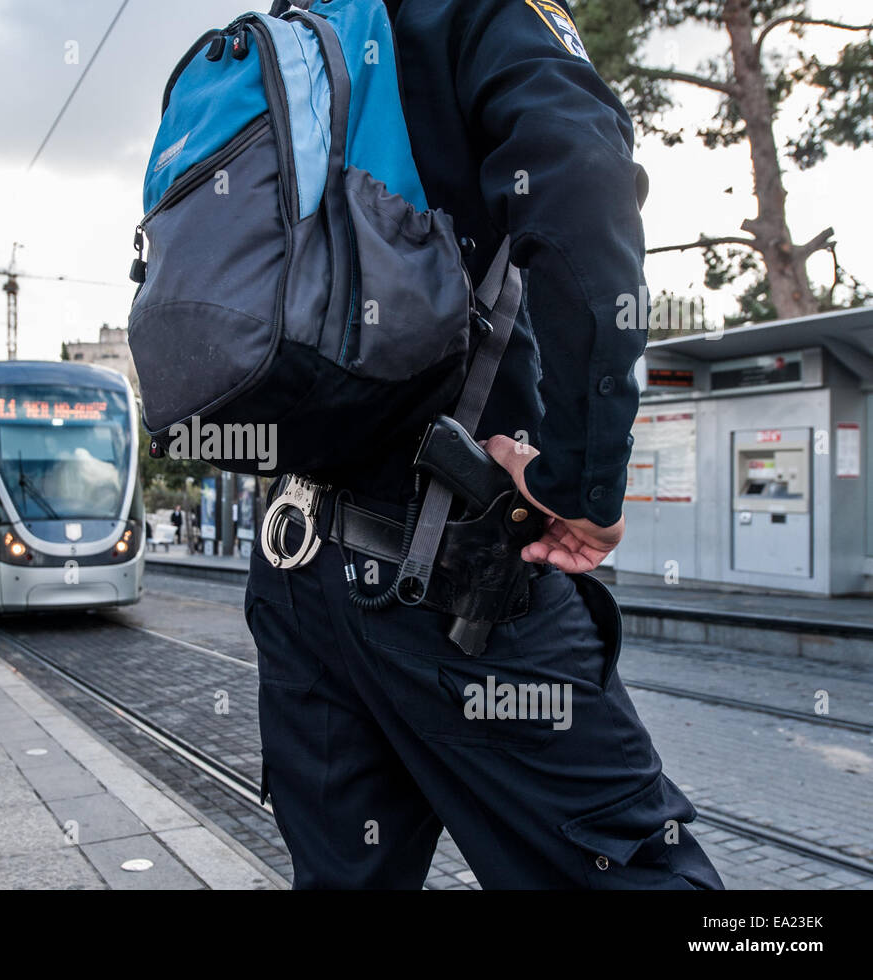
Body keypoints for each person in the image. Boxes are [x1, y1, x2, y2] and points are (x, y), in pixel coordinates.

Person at [244, 0, 724, 889]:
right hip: (450, 569)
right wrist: (584, 484)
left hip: (291, 563)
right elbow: (581, 176)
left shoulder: (292, 28)